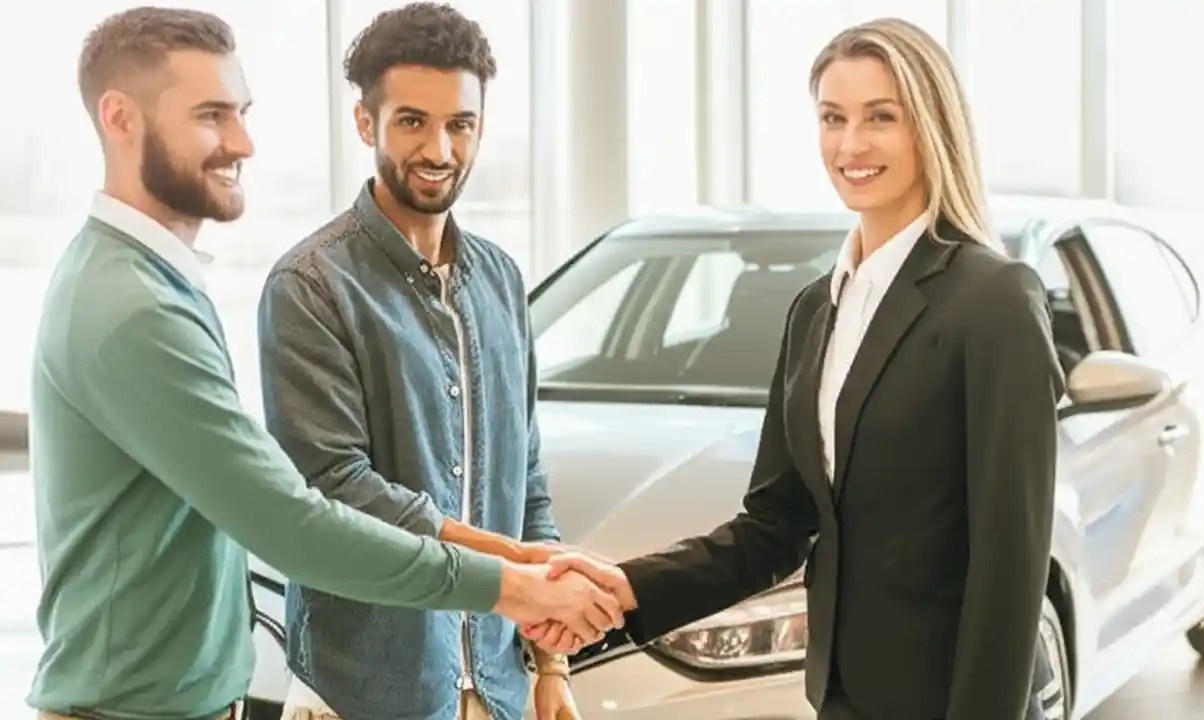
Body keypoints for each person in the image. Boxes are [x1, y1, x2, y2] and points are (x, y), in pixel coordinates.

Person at [27, 8, 619, 720]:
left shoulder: (153, 284)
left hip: (454, 687)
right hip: (275, 699)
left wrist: (542, 646)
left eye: (241, 112)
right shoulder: (142, 307)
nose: (244, 141)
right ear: (120, 119)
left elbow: (524, 477)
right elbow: (300, 516)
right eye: (212, 115)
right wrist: (514, 583)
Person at [525, 17, 1066, 720]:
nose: (851, 144)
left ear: (931, 127)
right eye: (833, 118)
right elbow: (775, 526)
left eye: (881, 117)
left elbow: (1010, 566)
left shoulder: (992, 300)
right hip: (837, 697)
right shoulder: (817, 310)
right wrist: (626, 589)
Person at [255, 4, 581, 720]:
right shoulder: (309, 287)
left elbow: (524, 477)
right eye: (412, 122)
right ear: (366, 123)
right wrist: (507, 570)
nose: (439, 148)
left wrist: (550, 661)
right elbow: (338, 488)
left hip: (494, 693)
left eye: (459, 124)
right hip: (362, 694)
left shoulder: (500, 281)